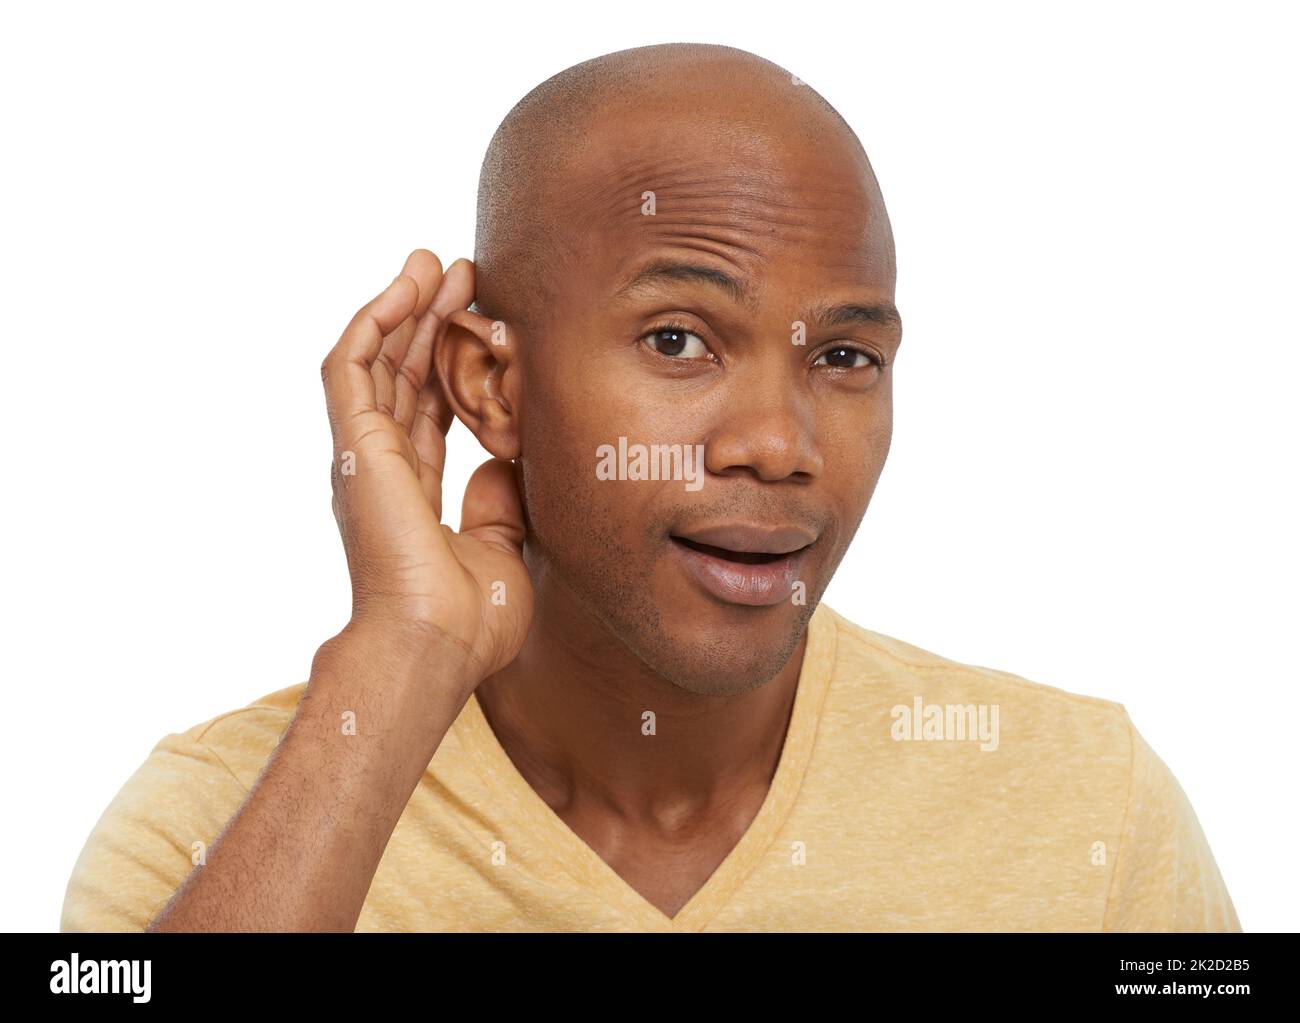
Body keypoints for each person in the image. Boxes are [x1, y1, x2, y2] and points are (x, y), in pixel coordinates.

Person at [60, 42, 1240, 933]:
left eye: (843, 357)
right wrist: (399, 657)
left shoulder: (1089, 809)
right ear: (491, 385)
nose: (779, 445)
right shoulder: (211, 829)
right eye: (679, 340)